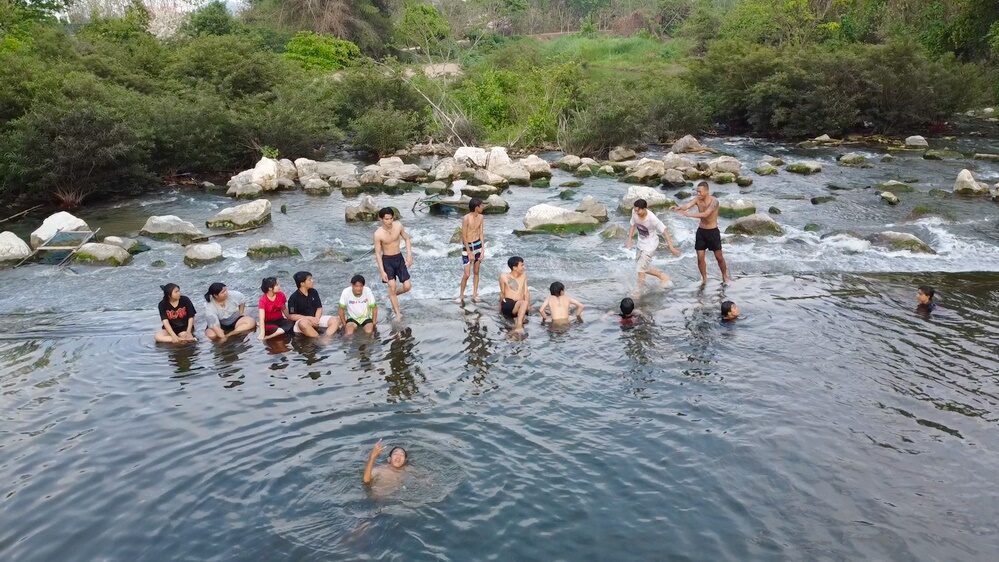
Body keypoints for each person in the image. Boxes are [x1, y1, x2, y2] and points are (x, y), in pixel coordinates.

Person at [674, 182, 732, 285]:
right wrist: (680, 208)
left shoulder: (714, 202)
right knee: (700, 257)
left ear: (707, 191)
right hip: (701, 232)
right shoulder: (697, 199)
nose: (698, 193)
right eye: (697, 191)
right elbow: (687, 205)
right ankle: (704, 279)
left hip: (713, 232)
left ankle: (724, 275)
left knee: (719, 257)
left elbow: (706, 214)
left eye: (700, 191)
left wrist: (689, 215)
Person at [625, 198, 681, 292]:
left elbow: (665, 231)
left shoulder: (652, 218)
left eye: (638, 210)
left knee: (640, 268)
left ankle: (639, 291)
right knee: (641, 266)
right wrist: (629, 240)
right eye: (635, 210)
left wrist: (671, 247)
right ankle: (662, 276)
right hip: (640, 243)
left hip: (651, 245)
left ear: (644, 208)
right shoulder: (634, 212)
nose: (636, 212)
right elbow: (632, 225)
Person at [373, 207, 414, 319]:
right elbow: (377, 254)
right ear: (381, 219)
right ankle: (398, 314)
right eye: (386, 219)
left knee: (407, 286)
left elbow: (407, 239)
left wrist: (409, 256)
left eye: (391, 218)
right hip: (387, 260)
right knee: (392, 285)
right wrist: (382, 272)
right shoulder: (378, 234)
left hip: (399, 258)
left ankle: (392, 295)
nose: (389, 221)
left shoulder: (398, 225)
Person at [287, 271, 340, 337]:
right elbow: (292, 316)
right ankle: (318, 338)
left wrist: (317, 318)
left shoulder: (314, 292)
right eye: (309, 280)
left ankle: (326, 338)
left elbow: (319, 308)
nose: (312, 281)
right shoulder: (293, 297)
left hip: (315, 318)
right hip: (302, 321)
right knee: (303, 324)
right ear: (302, 283)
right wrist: (309, 318)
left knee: (335, 320)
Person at [458, 198, 486, 303]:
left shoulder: (481, 217)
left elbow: (481, 233)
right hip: (467, 247)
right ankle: (461, 295)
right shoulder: (466, 218)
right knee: (467, 274)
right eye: (481, 205)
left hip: (478, 245)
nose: (483, 207)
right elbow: (464, 236)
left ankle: (474, 294)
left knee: (476, 271)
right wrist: (469, 252)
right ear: (476, 207)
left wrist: (483, 249)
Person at [499, 256, 530, 334]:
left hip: (520, 305)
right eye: (522, 265)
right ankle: (519, 326)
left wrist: (528, 306)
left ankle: (517, 323)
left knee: (524, 303)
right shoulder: (504, 277)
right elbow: (502, 292)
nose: (524, 267)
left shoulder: (524, 276)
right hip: (508, 304)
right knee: (524, 303)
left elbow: (526, 292)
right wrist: (500, 308)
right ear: (514, 267)